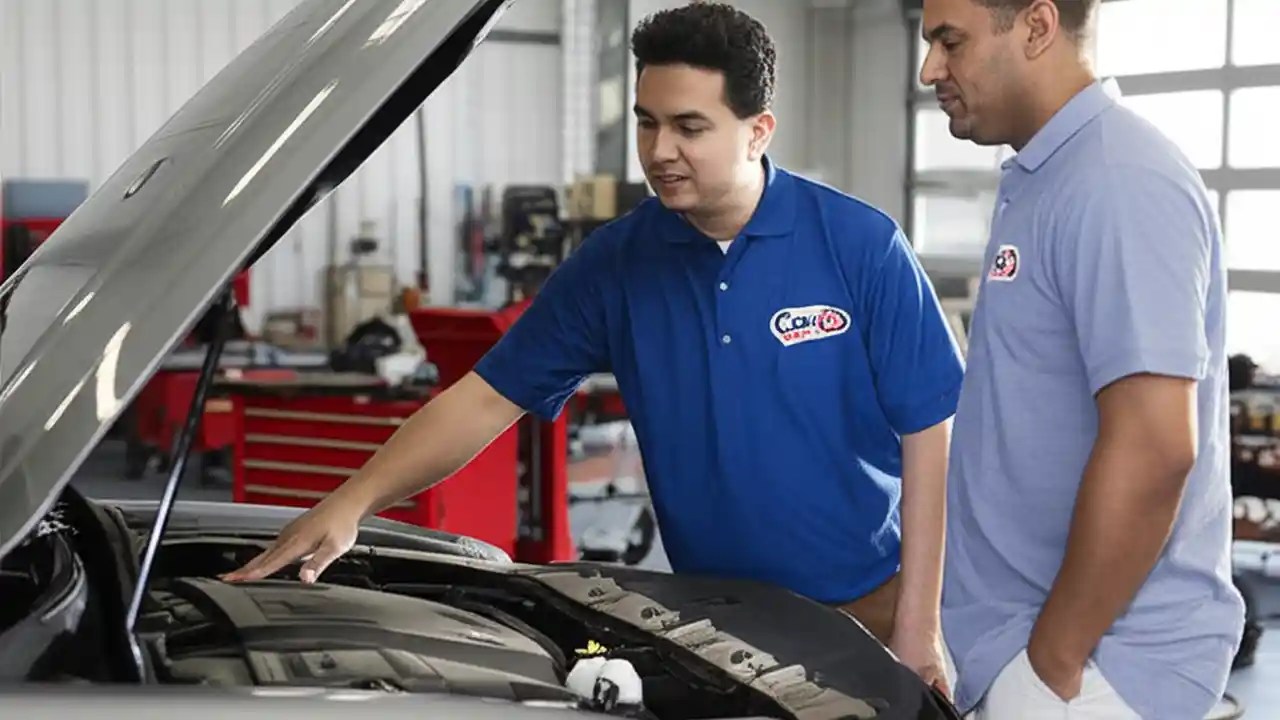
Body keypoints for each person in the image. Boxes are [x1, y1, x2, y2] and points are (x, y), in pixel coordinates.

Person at [224, 2, 964, 693]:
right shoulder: (617, 263)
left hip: (868, 605)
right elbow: (483, 399)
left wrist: (919, 624)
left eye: (689, 127)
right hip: (720, 617)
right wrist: (353, 501)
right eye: (646, 123)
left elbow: (929, 432)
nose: (659, 151)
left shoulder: (859, 245)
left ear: (758, 130)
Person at [918, 0, 1246, 717]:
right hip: (1035, 651)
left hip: (1094, 670)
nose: (928, 69)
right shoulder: (1047, 176)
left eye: (950, 42)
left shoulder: (1118, 179)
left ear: (1036, 27)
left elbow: (1157, 447)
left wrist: (1052, 664)